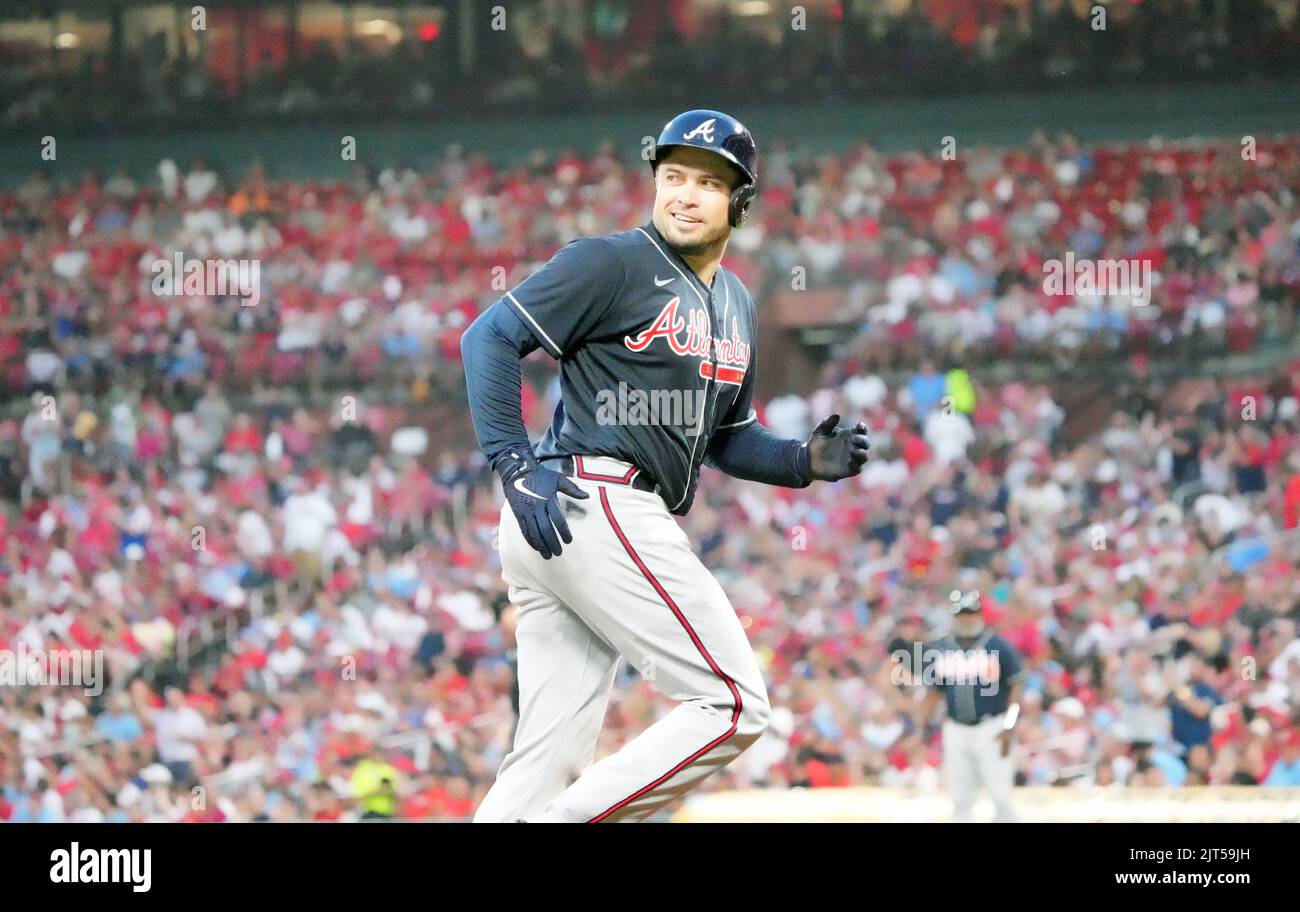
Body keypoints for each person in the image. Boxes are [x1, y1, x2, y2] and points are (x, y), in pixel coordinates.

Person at [461, 109, 869, 822]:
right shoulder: (613, 261)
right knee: (734, 702)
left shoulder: (736, 301)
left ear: (740, 202)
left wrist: (802, 460)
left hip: (576, 513)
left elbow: (729, 435)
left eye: (707, 183)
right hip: (589, 498)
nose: (684, 193)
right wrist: (513, 462)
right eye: (672, 175)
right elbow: (486, 339)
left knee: (548, 759)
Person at [916, 590, 1026, 823]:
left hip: (993, 726)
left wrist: (1010, 724)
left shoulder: (997, 646)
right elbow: (934, 692)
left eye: (971, 613)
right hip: (956, 728)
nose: (967, 619)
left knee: (1000, 796)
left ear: (979, 614)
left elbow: (1016, 685)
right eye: (962, 613)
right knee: (960, 799)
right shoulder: (942, 649)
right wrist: (921, 729)